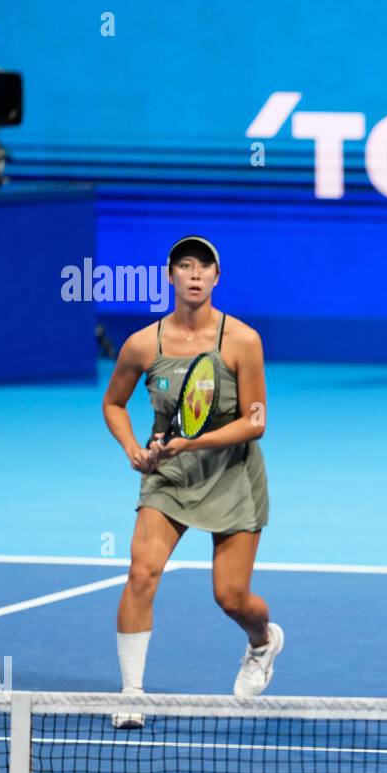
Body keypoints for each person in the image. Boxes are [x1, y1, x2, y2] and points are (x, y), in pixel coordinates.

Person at [101, 236, 278, 725]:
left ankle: (263, 641)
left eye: (204, 267)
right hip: (169, 477)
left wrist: (189, 444)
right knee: (142, 572)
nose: (195, 274)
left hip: (232, 473)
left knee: (231, 597)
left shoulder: (242, 340)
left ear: (217, 278)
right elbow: (113, 404)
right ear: (170, 276)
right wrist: (134, 449)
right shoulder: (143, 344)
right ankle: (132, 693)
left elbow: (256, 421)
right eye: (185, 265)